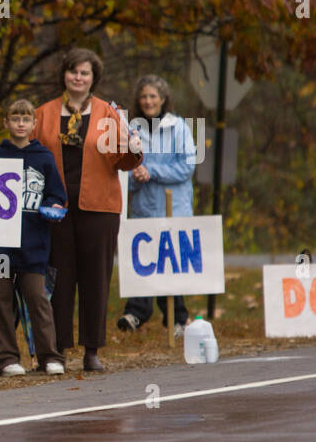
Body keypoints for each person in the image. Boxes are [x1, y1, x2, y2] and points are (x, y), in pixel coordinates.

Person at [33, 47, 143, 372]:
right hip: (56, 209)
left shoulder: (108, 114)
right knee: (59, 279)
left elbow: (122, 160)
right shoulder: (43, 114)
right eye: (73, 71)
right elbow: (32, 156)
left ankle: (92, 350)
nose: (78, 78)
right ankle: (58, 350)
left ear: (93, 79)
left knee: (96, 279)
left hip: (100, 207)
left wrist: (134, 153)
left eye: (85, 73)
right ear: (63, 75)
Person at [0, 99, 69, 377]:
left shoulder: (44, 158)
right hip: (0, 247)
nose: (20, 123)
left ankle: (49, 356)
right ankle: (6, 359)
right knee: (2, 302)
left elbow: (56, 193)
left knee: (38, 299)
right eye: (15, 118)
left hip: (34, 244)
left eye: (26, 119)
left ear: (34, 124)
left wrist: (54, 205)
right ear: (6, 123)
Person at [118, 75, 197, 337]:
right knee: (143, 259)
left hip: (173, 206)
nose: (148, 101)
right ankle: (136, 313)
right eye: (144, 97)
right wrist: (135, 176)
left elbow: (186, 167)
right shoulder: (131, 129)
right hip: (144, 206)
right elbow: (123, 169)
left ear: (163, 99)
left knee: (170, 263)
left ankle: (176, 318)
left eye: (153, 96)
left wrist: (151, 171)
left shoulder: (179, 127)